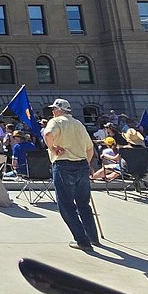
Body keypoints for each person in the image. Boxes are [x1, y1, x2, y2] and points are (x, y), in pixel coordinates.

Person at [43, 98, 98, 252]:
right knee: (83, 204)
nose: (53, 112)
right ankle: (93, 237)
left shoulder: (56, 122)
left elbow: (47, 134)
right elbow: (90, 148)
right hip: (81, 165)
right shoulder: (79, 124)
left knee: (66, 206)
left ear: (59, 110)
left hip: (64, 165)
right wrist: (86, 164)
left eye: (54, 109)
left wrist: (52, 147)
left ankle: (82, 241)